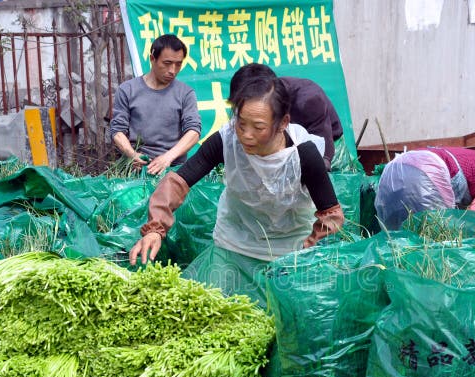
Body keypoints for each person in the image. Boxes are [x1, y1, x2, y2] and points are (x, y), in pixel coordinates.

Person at [129, 73, 345, 305]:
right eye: (241, 124)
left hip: (288, 252)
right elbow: (180, 180)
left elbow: (331, 215)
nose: (246, 135)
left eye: (258, 127)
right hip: (233, 244)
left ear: (282, 123)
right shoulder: (227, 140)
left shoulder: (303, 154)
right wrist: (155, 227)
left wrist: (304, 250)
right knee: (210, 313)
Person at [109, 34, 201, 176]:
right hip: (136, 167)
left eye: (178, 64)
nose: (173, 70)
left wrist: (168, 158)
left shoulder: (185, 93)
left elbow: (193, 132)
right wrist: (132, 155)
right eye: (167, 63)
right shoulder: (127, 90)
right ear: (152, 59)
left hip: (173, 168)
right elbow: (117, 130)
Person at [229, 63, 343, 171]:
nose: (247, 134)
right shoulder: (248, 114)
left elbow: (322, 156)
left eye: (258, 126)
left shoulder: (309, 100)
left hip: (328, 147)